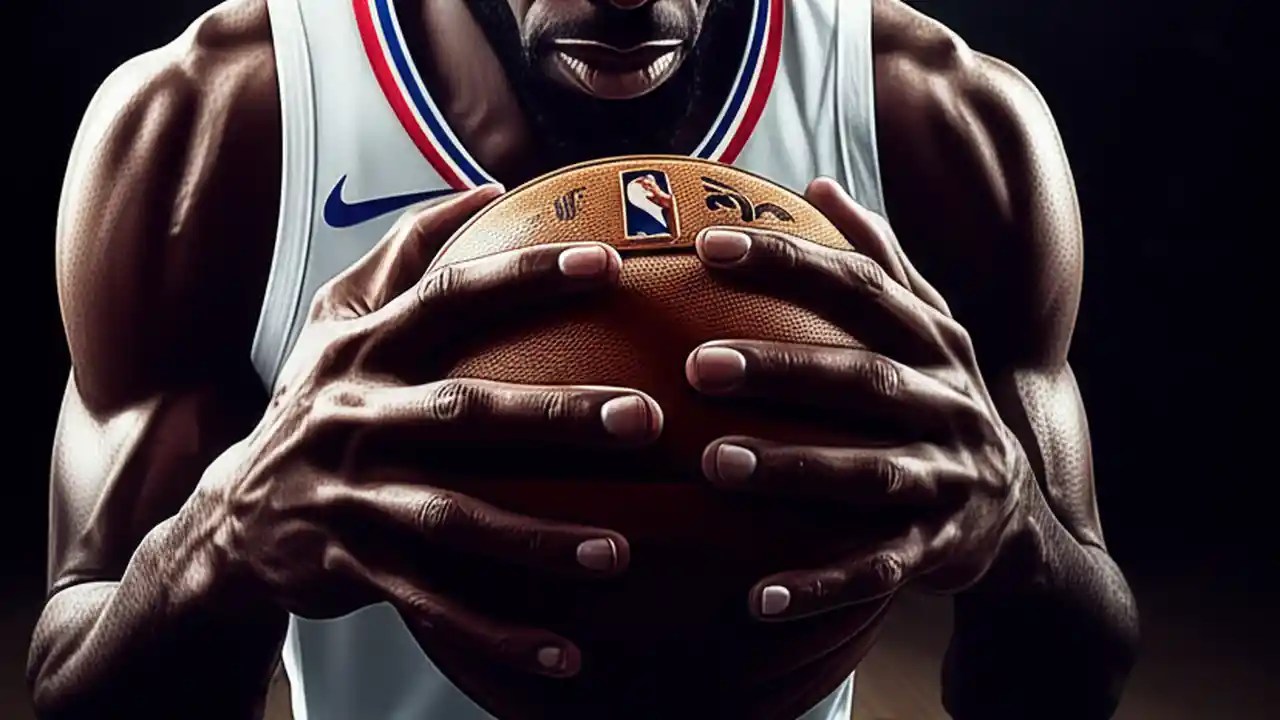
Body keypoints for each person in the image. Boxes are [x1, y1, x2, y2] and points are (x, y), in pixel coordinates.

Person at [28, 0, 1139, 718]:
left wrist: (1014, 533)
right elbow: (76, 686)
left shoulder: (936, 123)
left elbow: (1063, 678)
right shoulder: (223, 121)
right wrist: (221, 545)